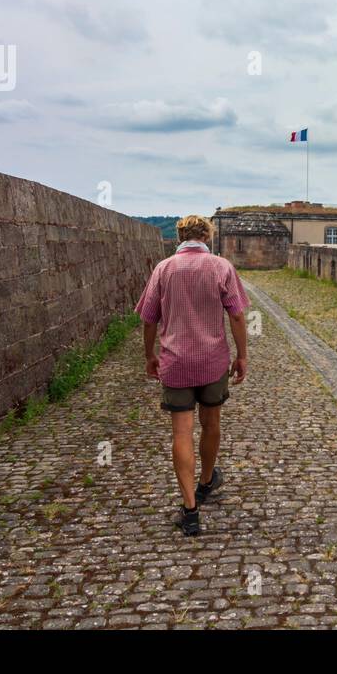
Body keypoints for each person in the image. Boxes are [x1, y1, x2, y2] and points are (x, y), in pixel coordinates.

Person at [136, 215, 248, 536]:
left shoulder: (164, 269)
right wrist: (242, 355)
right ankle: (205, 481)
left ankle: (189, 510)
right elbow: (238, 316)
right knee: (211, 424)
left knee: (181, 433)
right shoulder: (221, 267)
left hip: (175, 363)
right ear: (207, 237)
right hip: (212, 363)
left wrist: (149, 356)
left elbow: (148, 320)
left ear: (180, 236)